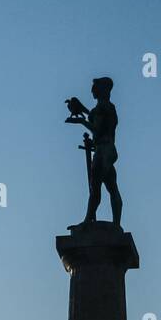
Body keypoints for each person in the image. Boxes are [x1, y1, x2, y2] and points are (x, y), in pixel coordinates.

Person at [65, 76, 123, 226]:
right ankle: (116, 224)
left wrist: (81, 121)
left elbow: (96, 130)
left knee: (96, 188)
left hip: (103, 151)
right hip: (107, 149)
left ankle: (87, 221)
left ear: (102, 89)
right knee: (112, 188)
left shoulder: (102, 109)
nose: (91, 90)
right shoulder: (108, 107)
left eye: (94, 87)